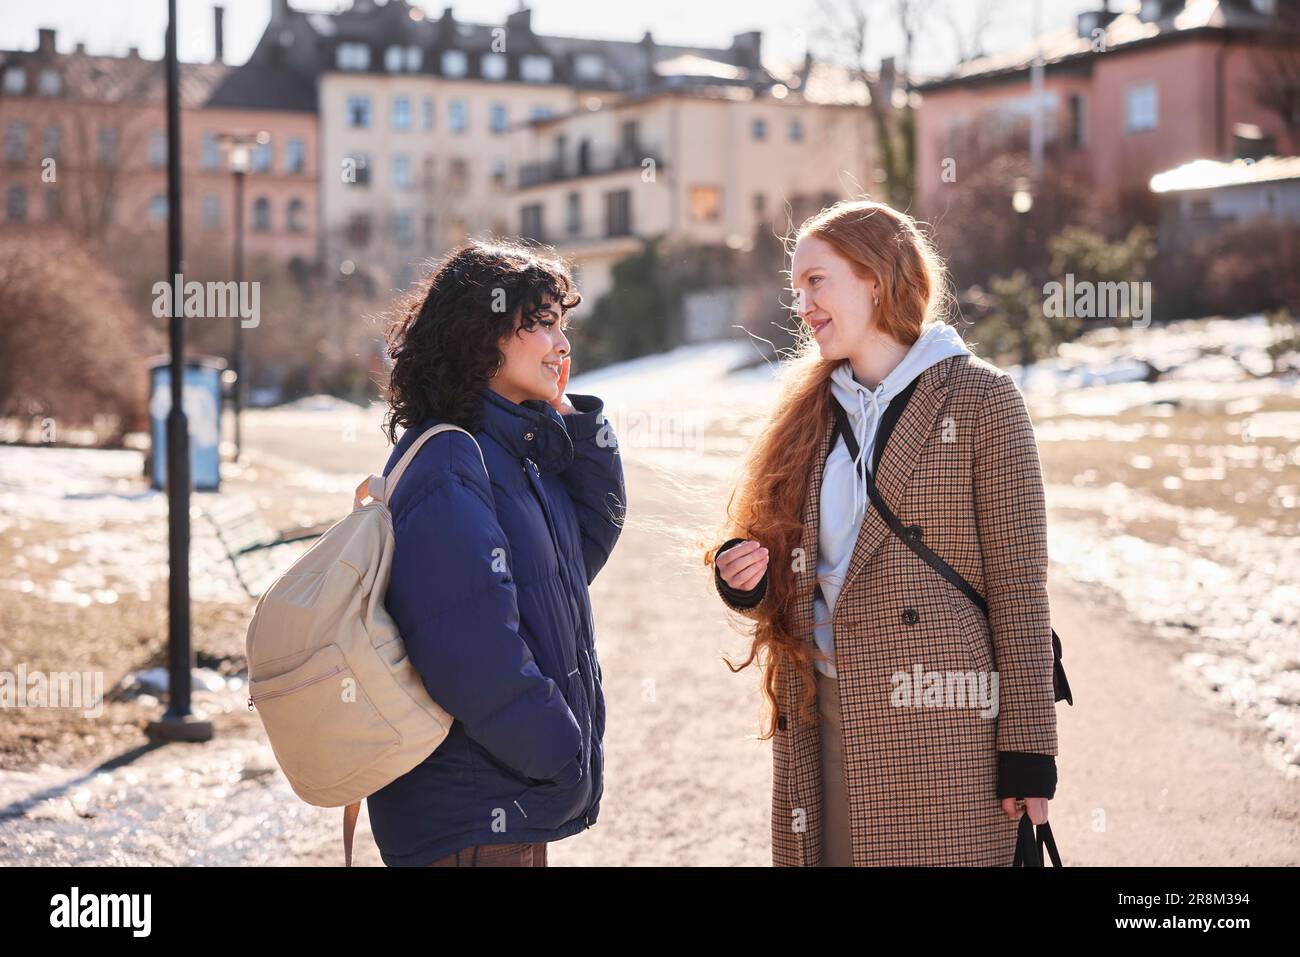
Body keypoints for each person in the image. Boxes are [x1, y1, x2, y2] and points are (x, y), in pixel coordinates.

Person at [709, 199, 1058, 866]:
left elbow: (1019, 585)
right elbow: (777, 556)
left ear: (873, 276)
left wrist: (1029, 754)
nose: (802, 304)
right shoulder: (807, 413)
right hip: (824, 718)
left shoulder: (982, 400)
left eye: (817, 280)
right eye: (795, 289)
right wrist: (742, 572)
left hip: (948, 731)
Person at [367, 240, 625, 867]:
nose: (562, 343)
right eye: (539, 324)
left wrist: (573, 420)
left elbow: (576, 558)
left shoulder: (511, 451)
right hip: (471, 809)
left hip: (500, 799)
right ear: (479, 333)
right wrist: (558, 750)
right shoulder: (451, 460)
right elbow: (472, 650)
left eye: (562, 325)